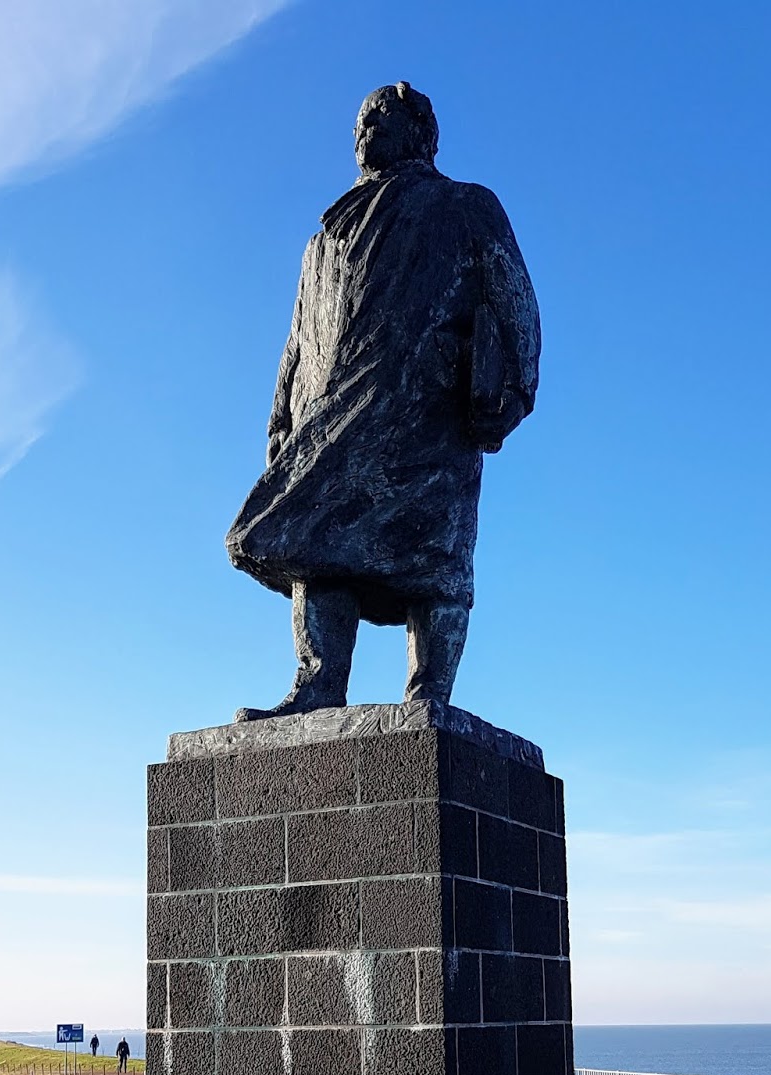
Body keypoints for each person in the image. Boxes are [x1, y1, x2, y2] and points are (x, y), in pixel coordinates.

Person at [226, 82, 539, 718]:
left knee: (436, 554)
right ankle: (317, 686)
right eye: (359, 125)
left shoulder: (466, 205)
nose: (364, 133)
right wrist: (282, 417)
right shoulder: (326, 235)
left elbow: (516, 306)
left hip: (426, 412)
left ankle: (430, 696)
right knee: (315, 543)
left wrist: (513, 388)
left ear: (421, 132)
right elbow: (298, 339)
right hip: (330, 417)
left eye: (379, 119)